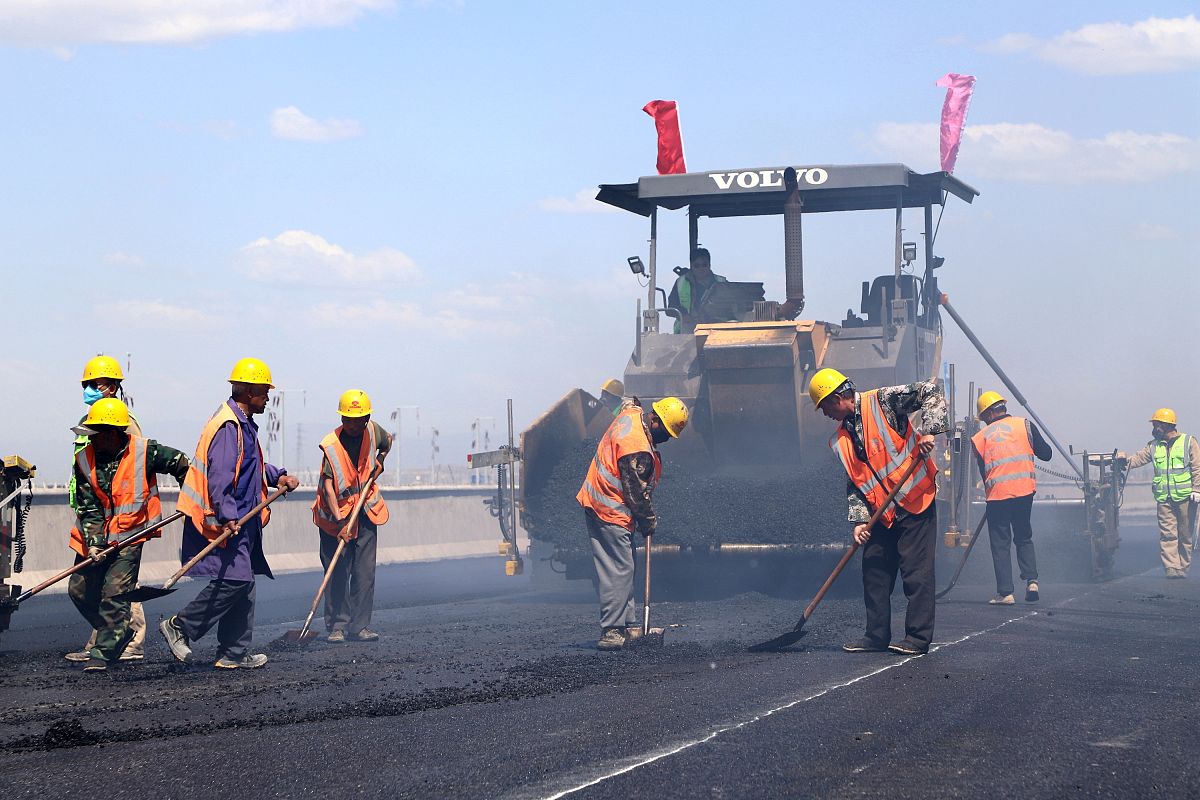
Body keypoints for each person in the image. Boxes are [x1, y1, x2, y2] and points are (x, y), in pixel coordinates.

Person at [159, 358, 298, 669]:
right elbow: (220, 477)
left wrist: (278, 477)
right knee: (234, 581)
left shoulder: (244, 425)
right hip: (228, 520)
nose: (267, 397)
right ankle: (180, 626)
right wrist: (227, 515)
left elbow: (252, 467)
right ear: (248, 391)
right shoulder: (228, 426)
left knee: (244, 581)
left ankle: (233, 653)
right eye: (264, 391)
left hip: (244, 519)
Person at [809, 368, 946, 656]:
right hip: (881, 514)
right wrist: (859, 521)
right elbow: (855, 481)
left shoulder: (883, 402)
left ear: (839, 397)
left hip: (914, 501)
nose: (825, 414)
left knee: (916, 573)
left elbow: (930, 391)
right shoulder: (841, 439)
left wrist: (929, 431)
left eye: (825, 406)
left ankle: (918, 638)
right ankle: (876, 636)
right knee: (874, 571)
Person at [68, 398, 189, 672]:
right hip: (97, 538)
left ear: (112, 433)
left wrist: (192, 500)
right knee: (79, 589)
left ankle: (105, 651)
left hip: (130, 536)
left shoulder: (146, 451)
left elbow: (183, 465)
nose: (91, 442)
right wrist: (95, 544)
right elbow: (89, 508)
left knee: (115, 594)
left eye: (95, 436)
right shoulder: (84, 461)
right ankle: (117, 632)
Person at [576, 396, 688, 650]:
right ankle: (612, 631)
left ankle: (628, 625)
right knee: (618, 569)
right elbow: (634, 492)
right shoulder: (637, 448)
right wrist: (648, 520)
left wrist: (633, 401)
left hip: (601, 503)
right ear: (656, 422)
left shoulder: (632, 416)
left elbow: (627, 403)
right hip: (609, 507)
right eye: (668, 434)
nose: (667, 440)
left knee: (625, 566)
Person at [65, 355, 149, 664]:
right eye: (86, 384)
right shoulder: (89, 421)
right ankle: (106, 638)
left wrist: (122, 519)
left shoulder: (125, 423)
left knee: (119, 588)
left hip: (120, 518)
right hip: (93, 515)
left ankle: (130, 643)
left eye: (95, 384)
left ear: (112, 387)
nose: (89, 389)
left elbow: (133, 471)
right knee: (90, 586)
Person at [312, 389, 392, 643]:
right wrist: (339, 523)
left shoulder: (373, 431)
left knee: (364, 572)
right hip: (334, 516)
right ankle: (337, 625)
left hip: (366, 510)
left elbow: (387, 441)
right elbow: (327, 486)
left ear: (366, 418)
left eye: (358, 420)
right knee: (337, 571)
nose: (353, 425)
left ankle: (360, 626)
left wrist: (380, 461)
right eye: (348, 419)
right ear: (342, 419)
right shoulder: (332, 446)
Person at [971, 391, 1053, 604]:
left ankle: (1005, 592)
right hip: (1024, 492)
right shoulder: (1024, 425)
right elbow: (1046, 454)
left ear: (988, 414)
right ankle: (1032, 580)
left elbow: (983, 472)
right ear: (1002, 407)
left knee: (1000, 543)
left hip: (998, 496)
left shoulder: (980, 438)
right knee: (1023, 536)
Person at [1121, 408, 1199, 578]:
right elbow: (1137, 459)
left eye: (1157, 425)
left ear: (1167, 425)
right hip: (1164, 498)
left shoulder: (1188, 442)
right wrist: (1120, 462)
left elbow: (1197, 467)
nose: (1154, 428)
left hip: (1186, 497)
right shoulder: (1153, 446)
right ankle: (1172, 568)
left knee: (1185, 534)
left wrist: (1197, 489)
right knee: (1168, 534)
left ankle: (1183, 568)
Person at [667, 248, 727, 333]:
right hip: (687, 330)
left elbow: (730, 306)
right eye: (697, 265)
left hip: (717, 327)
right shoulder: (680, 282)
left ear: (709, 264)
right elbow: (671, 306)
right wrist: (683, 315)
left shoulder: (722, 282)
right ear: (691, 265)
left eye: (704, 265)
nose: (701, 268)